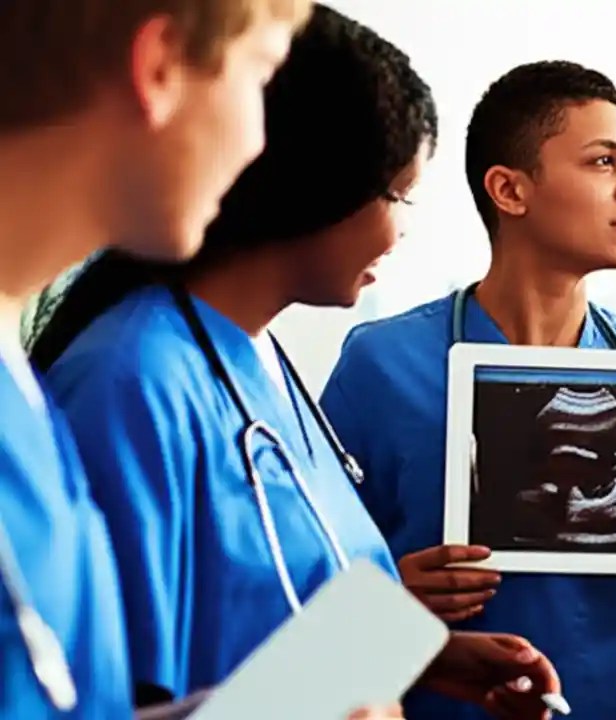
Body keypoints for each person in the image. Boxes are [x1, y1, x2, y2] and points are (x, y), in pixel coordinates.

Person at [30, 6, 560, 718]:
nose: (402, 231)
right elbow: (117, 694)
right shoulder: (131, 383)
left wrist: (419, 654)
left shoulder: (266, 366)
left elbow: (272, 612)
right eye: (399, 195)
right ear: (318, 176)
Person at [318, 59, 616, 720]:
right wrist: (391, 597)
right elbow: (308, 597)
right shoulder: (381, 367)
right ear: (509, 189)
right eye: (603, 162)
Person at [0, 0, 308, 717]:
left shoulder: (21, 384)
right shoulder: (119, 369)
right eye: (260, 74)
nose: (260, 140)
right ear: (160, 66)